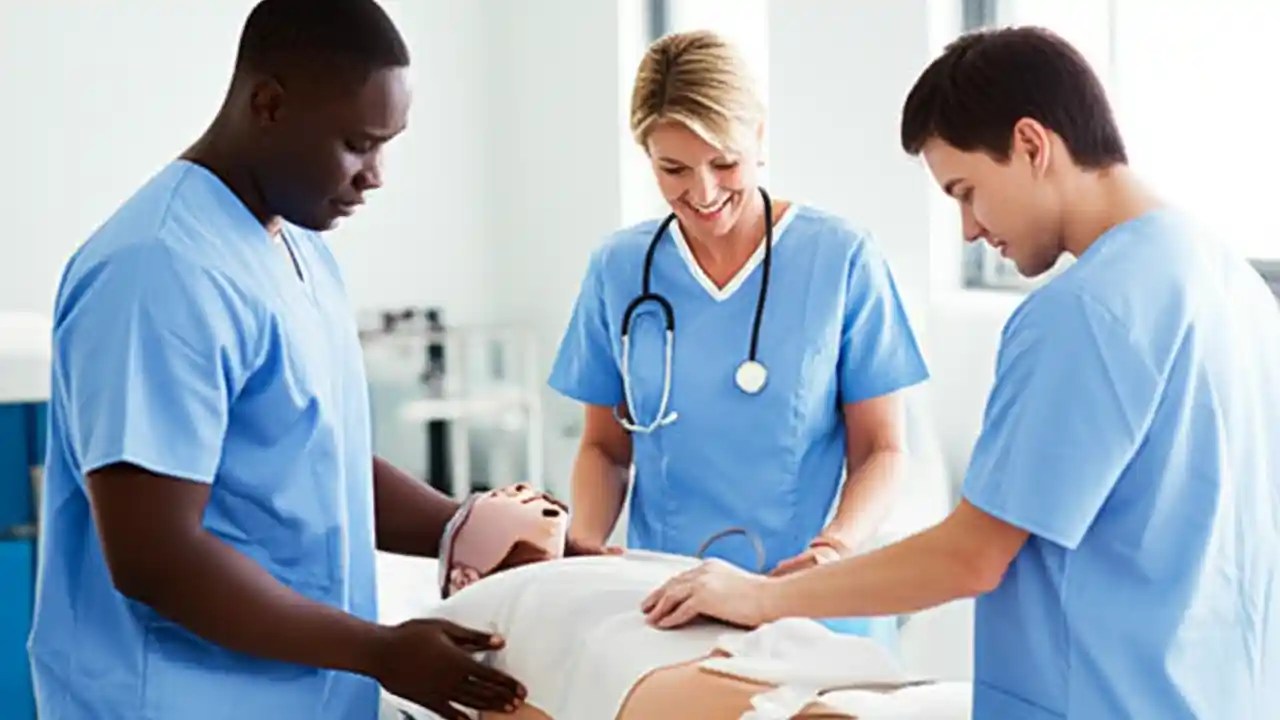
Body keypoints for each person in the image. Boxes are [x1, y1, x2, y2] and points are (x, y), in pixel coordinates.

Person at [640, 25, 1280, 720]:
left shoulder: (1085, 313)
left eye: (966, 191)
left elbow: (971, 556)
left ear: (1032, 145)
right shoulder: (1231, 283)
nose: (971, 228)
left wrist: (759, 597)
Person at [28, 2, 581, 719]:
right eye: (357, 143)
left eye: (387, 145)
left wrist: (459, 524)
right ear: (268, 104)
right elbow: (155, 558)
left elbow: (313, 461)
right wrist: (380, 651)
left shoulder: (297, 247)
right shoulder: (158, 270)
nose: (375, 175)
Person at [548, 29, 930, 644]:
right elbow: (605, 448)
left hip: (812, 602)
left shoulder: (840, 259)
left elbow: (883, 449)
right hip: (668, 604)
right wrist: (586, 546)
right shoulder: (620, 269)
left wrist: (833, 549)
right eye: (672, 168)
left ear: (759, 136)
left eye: (723, 162)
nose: (701, 193)